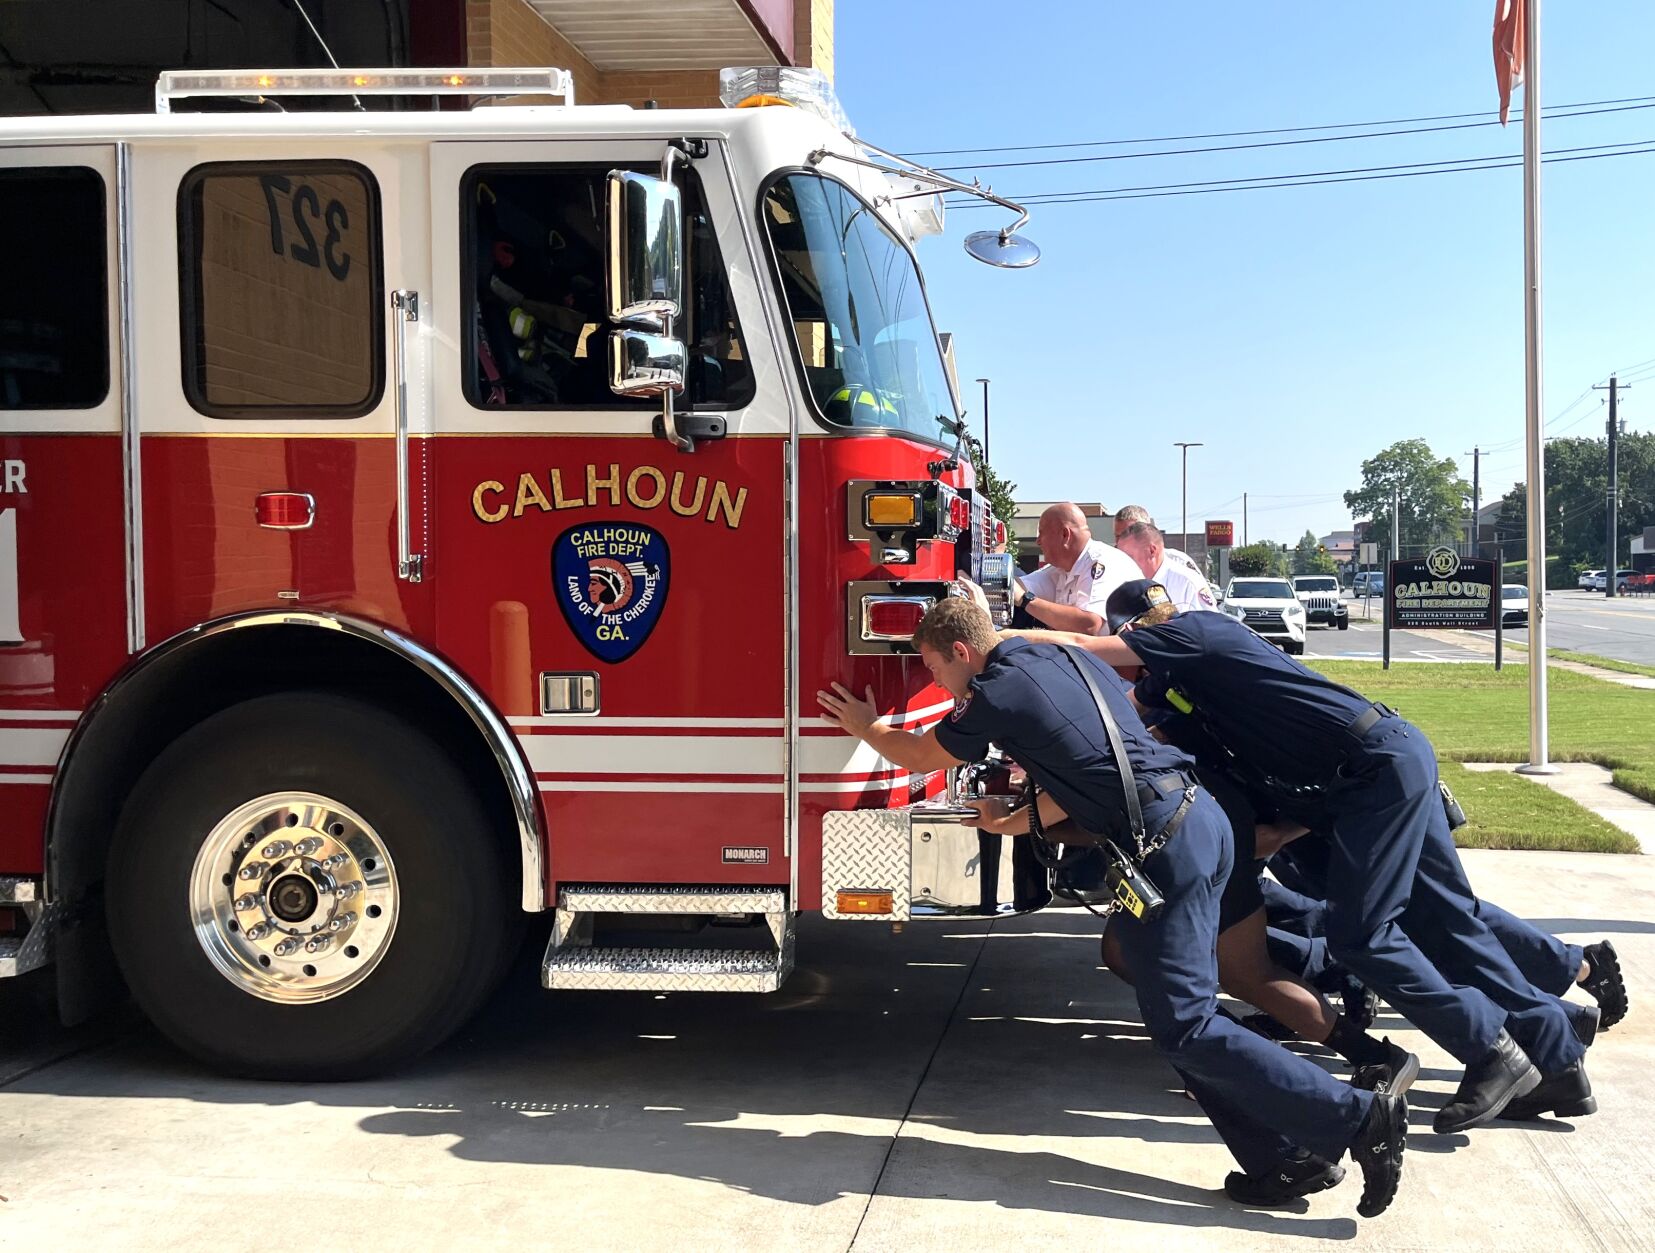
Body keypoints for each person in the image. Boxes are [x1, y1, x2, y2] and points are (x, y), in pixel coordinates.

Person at [816, 598, 1407, 1214]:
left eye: (934, 668)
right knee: (1177, 1014)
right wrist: (1014, 822)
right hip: (1199, 820)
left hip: (1163, 847)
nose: (935, 681)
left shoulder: (996, 692)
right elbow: (1094, 769)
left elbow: (917, 756)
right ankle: (1282, 1158)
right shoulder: (1062, 658)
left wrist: (864, 724)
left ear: (963, 652)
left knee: (1188, 1024)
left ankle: (1360, 1117)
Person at [1014, 579, 1593, 1133]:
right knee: (1445, 922)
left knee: (1362, 935)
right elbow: (1128, 725)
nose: (1130, 671)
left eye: (1133, 652)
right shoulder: (1182, 683)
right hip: (1369, 774)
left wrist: (1003, 635)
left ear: (1141, 631)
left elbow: (1086, 643)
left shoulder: (1198, 631)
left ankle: (1490, 1048)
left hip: (1372, 772)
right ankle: (1559, 1061)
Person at [1009, 502, 1140, 634]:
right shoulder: (1061, 568)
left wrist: (1027, 601)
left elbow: (1090, 625)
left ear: (1065, 535)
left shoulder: (1101, 561)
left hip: (1118, 653)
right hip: (1092, 653)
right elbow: (1016, 587)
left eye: (1041, 533)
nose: (1038, 541)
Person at [1113, 506, 1220, 613]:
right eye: (1118, 536)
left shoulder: (1183, 575)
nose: (1122, 542)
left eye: (1131, 533)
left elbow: (1210, 623)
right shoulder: (1114, 572)